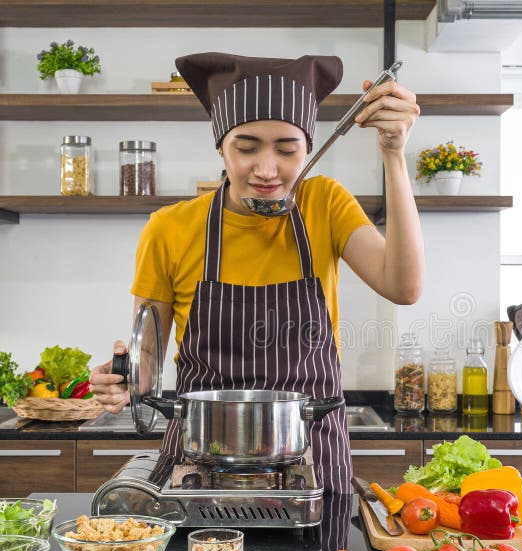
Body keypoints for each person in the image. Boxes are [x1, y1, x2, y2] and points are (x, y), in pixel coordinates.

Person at [89, 53, 423, 493]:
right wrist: (129, 378)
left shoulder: (324, 203)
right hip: (199, 460)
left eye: (287, 150)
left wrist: (394, 155)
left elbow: (403, 287)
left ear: (309, 148)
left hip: (310, 460)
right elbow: (147, 356)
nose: (267, 170)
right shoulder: (169, 227)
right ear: (220, 146)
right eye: (246, 148)